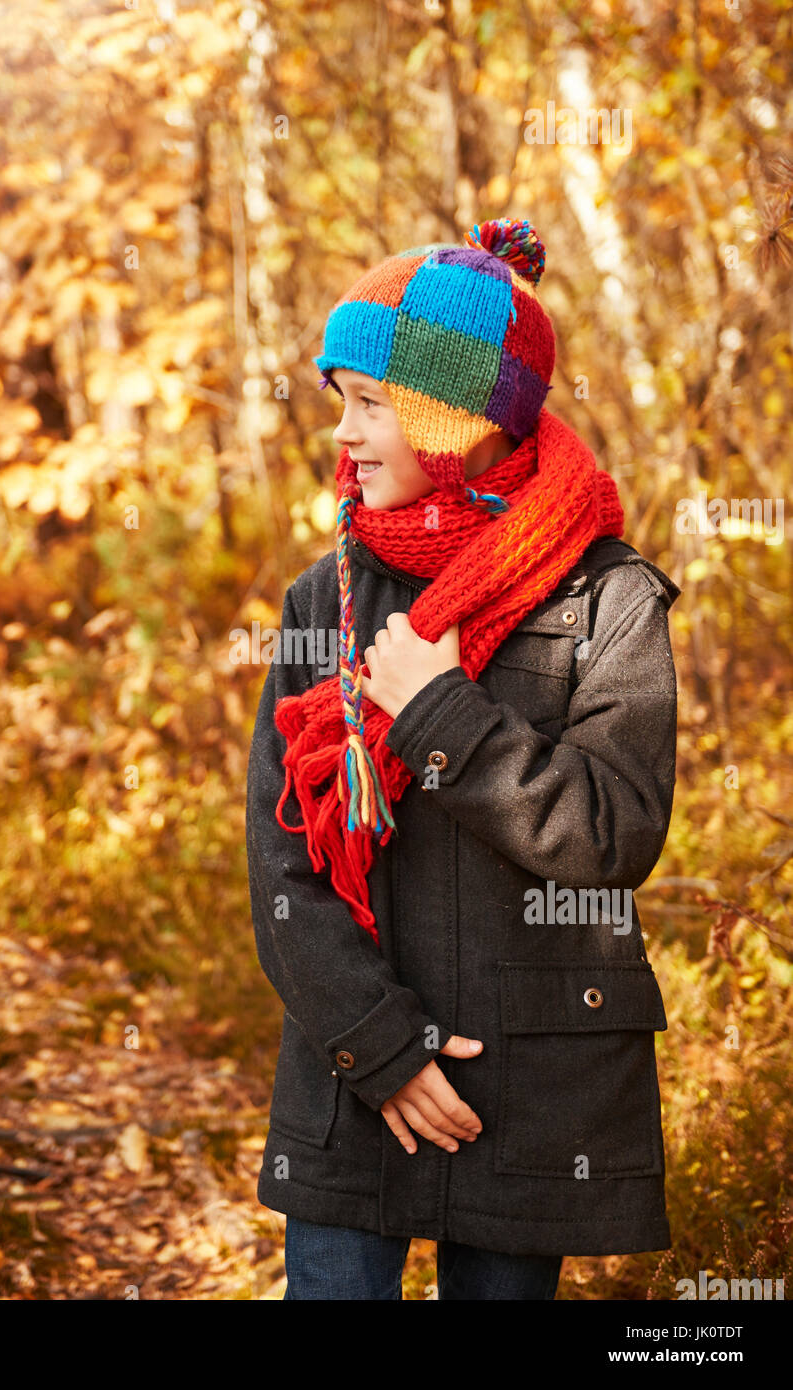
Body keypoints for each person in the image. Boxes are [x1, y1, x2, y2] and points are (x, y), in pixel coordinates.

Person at [245, 219, 681, 1300]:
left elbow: (616, 830)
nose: (342, 436)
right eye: (337, 401)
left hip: (528, 1086)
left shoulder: (605, 598)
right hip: (354, 1082)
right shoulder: (327, 595)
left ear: (460, 416)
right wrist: (378, 1049)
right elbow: (283, 860)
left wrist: (442, 713)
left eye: (370, 403)